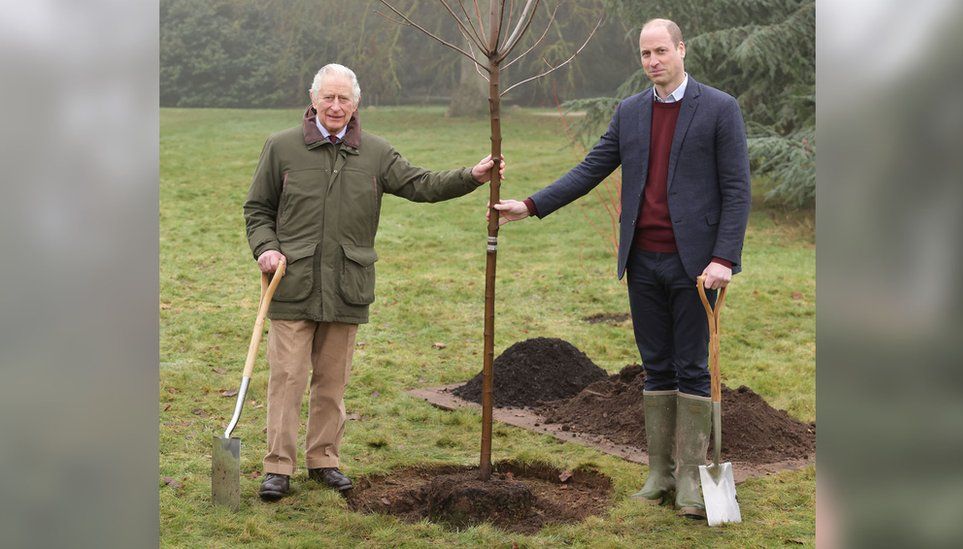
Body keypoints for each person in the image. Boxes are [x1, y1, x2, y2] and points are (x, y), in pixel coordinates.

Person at [492, 19, 750, 518]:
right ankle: (660, 474)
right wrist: (531, 204)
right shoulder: (631, 112)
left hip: (698, 267)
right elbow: (591, 169)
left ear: (681, 49)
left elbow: (737, 190)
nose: (653, 61)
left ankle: (695, 481)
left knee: (692, 365)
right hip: (642, 260)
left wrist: (724, 259)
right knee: (656, 365)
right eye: (645, 54)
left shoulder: (720, 108)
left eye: (660, 51)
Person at [244, 63, 503, 502]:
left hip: (348, 285)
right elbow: (257, 209)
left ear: (356, 103)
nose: (336, 105)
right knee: (286, 378)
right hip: (292, 284)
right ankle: (277, 468)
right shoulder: (281, 148)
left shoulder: (376, 153)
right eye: (328, 97)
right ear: (313, 99)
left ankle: (324, 459)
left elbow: (421, 184)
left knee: (332, 381)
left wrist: (471, 177)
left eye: (344, 98)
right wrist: (265, 247)